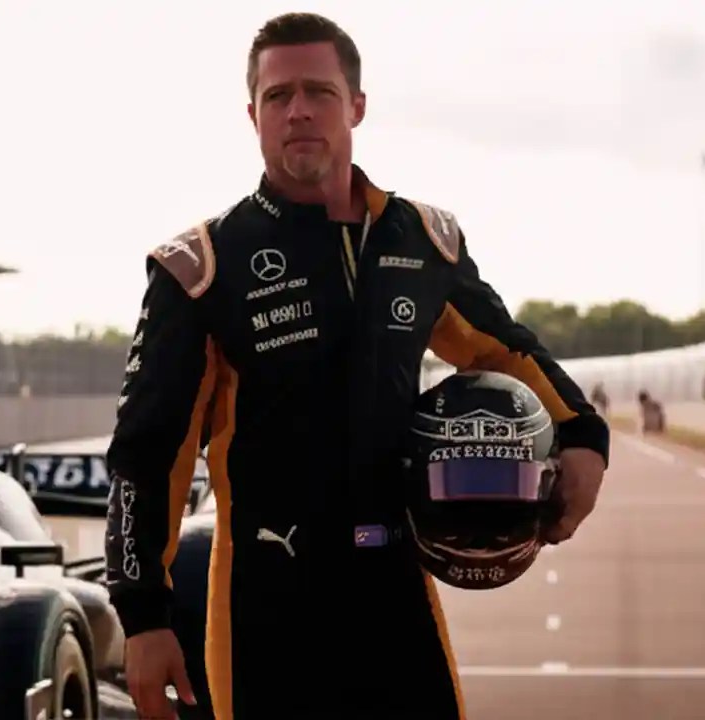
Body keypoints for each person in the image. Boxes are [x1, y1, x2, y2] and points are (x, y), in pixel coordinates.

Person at [103, 12, 610, 720]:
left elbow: (502, 348)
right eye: (278, 96)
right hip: (267, 604)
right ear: (253, 115)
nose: (298, 111)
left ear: (357, 106)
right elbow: (148, 452)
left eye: (319, 91)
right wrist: (143, 617)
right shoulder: (202, 267)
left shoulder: (422, 238)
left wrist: (582, 432)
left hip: (395, 581)